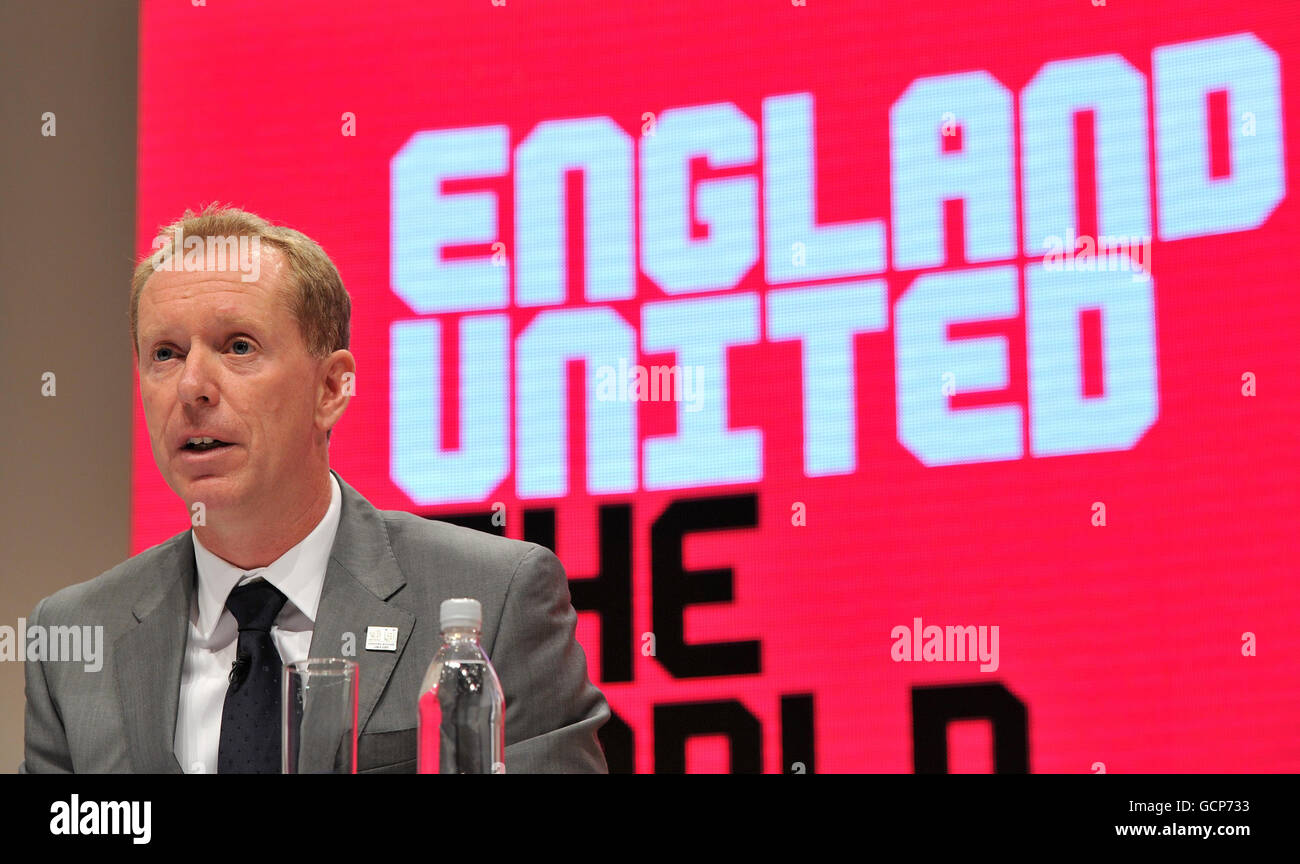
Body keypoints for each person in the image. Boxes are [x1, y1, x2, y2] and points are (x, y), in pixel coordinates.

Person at [21, 204, 609, 773]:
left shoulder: (496, 596)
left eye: (238, 346)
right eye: (166, 354)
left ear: (330, 389)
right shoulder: (75, 637)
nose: (192, 386)